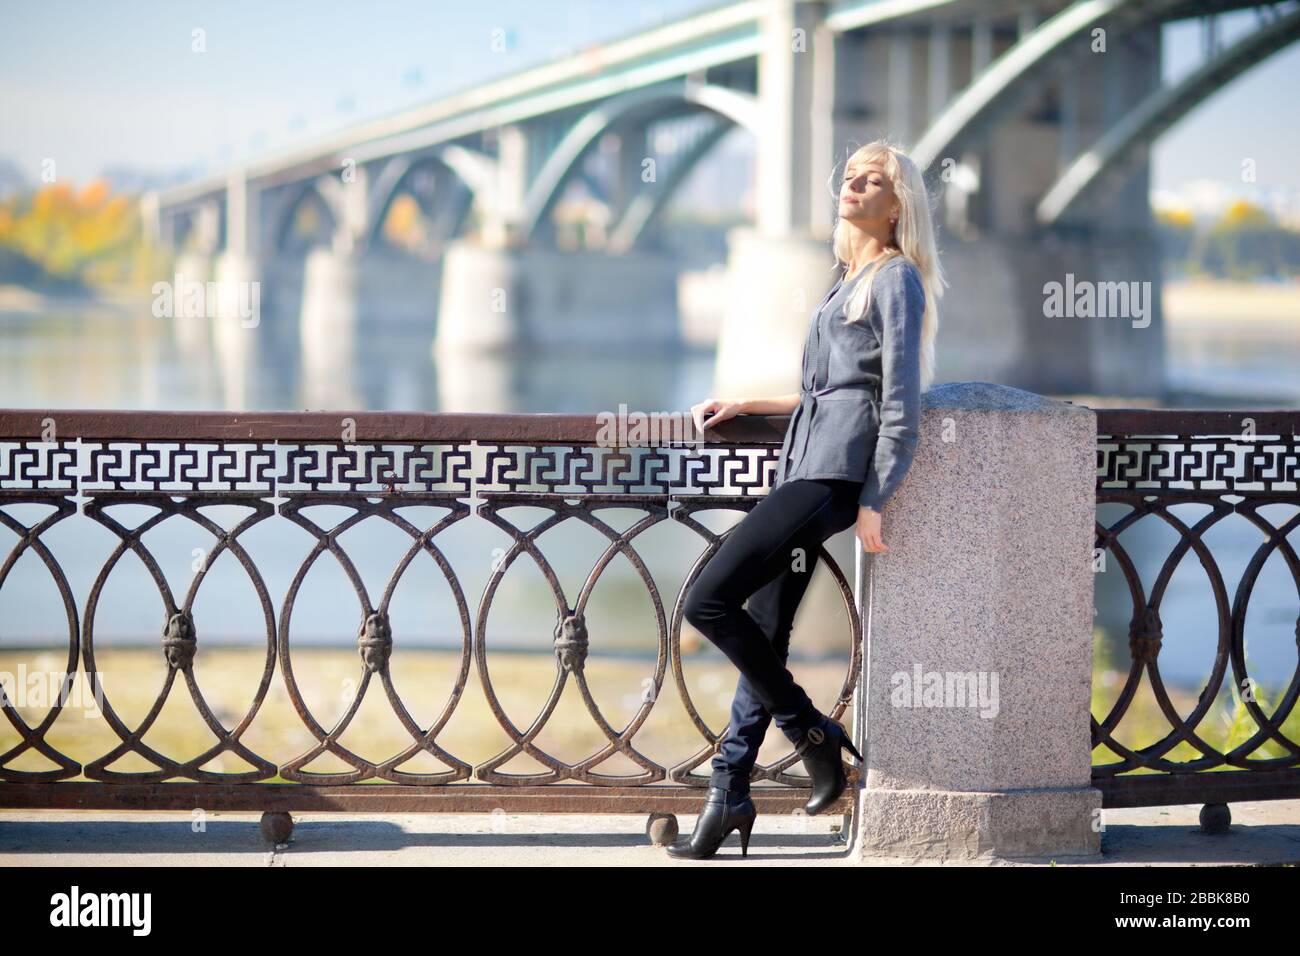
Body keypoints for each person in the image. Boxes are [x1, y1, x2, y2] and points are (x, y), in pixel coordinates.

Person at [667, 138, 945, 859]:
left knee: (707, 601)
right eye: (850, 175)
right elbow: (830, 391)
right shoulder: (844, 278)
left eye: (873, 179)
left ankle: (818, 740)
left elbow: (899, 402)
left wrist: (876, 497)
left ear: (898, 204)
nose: (854, 184)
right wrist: (750, 402)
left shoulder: (896, 280)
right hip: (802, 466)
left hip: (834, 480)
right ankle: (727, 797)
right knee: (767, 625)